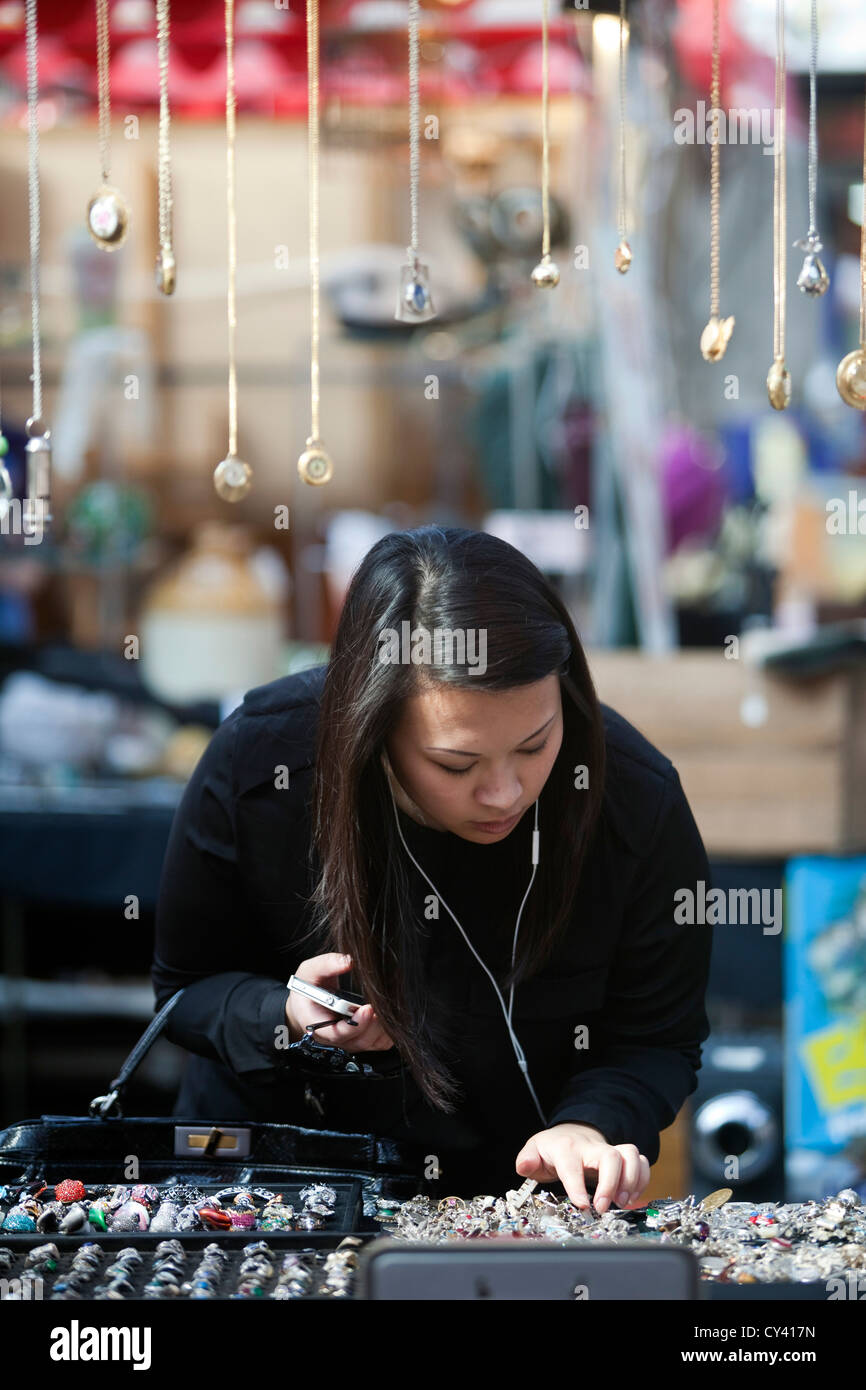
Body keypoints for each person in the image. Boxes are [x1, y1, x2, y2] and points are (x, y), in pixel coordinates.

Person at [153, 524, 712, 1212]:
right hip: (271, 1189)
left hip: (511, 1210)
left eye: (535, 744)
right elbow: (184, 990)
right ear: (373, 725)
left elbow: (656, 1037)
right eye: (456, 764)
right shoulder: (263, 765)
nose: (504, 793)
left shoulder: (633, 797)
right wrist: (285, 1015)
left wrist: (590, 1125)